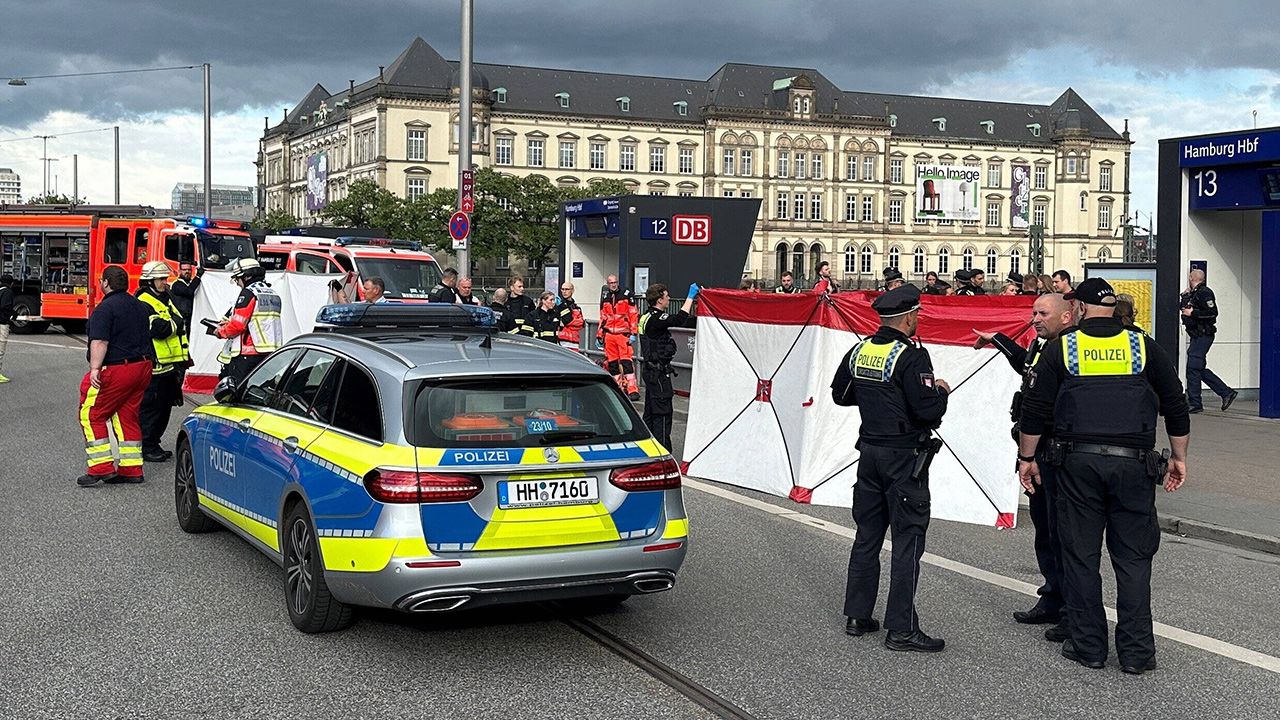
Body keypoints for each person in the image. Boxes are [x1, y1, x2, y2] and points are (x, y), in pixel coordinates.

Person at [1018, 278, 1190, 675]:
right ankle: (1136, 653)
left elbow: (1036, 407)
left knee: (1080, 555)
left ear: (1078, 309)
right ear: (1114, 309)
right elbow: (1176, 404)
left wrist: (1027, 457)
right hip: (1135, 465)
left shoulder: (1065, 347)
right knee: (1133, 559)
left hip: (1078, 465)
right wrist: (1178, 457)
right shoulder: (1142, 346)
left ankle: (1088, 645)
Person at [831, 284, 951, 653]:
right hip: (904, 458)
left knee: (867, 535)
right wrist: (941, 391)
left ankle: (858, 615)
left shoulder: (860, 350)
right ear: (910, 316)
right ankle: (901, 628)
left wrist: (877, 400)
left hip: (869, 452)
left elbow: (840, 394)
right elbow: (928, 412)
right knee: (907, 540)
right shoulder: (912, 356)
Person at [974, 294, 1076, 640]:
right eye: (1033, 313)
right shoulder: (1041, 345)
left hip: (1056, 452)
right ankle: (1052, 597)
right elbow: (1026, 367)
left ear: (1066, 316)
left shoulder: (1067, 349)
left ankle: (1071, 610)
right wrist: (999, 340)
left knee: (1064, 534)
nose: (1035, 319)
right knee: (1045, 529)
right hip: (1037, 453)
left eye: (1042, 313)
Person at [77, 266, 155, 486]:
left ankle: (100, 467)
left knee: (91, 413)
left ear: (105, 283)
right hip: (143, 366)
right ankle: (131, 469)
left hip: (119, 368)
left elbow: (100, 341)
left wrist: (94, 369)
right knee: (126, 415)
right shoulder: (140, 306)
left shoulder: (105, 309)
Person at [135, 261, 189, 463]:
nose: (164, 283)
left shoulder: (165, 298)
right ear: (149, 280)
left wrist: (174, 323)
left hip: (170, 365)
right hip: (155, 366)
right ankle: (146, 445)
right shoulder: (143, 300)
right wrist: (175, 323)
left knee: (165, 407)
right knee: (151, 408)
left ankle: (153, 443)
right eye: (160, 279)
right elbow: (158, 328)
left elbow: (177, 319)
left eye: (165, 279)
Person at [639, 282, 698, 451]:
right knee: (663, 413)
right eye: (666, 296)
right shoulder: (657, 318)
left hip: (650, 370)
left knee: (650, 412)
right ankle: (663, 453)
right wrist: (690, 296)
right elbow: (678, 319)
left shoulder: (646, 316)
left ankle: (648, 450)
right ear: (659, 300)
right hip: (657, 373)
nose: (669, 299)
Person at [215, 258, 283, 386]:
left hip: (248, 355)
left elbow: (237, 326)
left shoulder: (248, 294)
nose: (237, 283)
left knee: (239, 391)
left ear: (246, 277)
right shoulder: (272, 294)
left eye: (237, 279)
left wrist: (220, 331)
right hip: (270, 353)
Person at [1180, 269, 1237, 413]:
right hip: (1197, 335)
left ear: (1192, 278)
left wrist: (1193, 313)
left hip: (1203, 334)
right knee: (1198, 368)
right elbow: (1184, 309)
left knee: (1193, 367)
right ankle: (1226, 393)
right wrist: (1185, 296)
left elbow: (1212, 313)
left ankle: (1195, 403)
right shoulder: (1193, 293)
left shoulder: (1205, 292)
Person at [597, 274, 640, 400]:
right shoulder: (606, 297)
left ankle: (632, 389)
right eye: (611, 283)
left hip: (623, 334)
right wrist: (599, 334)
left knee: (626, 362)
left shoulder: (626, 294)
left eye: (615, 282)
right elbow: (603, 317)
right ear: (608, 284)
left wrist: (633, 333)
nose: (614, 284)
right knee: (612, 363)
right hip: (609, 334)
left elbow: (633, 314)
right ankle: (618, 388)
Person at [168, 260, 204, 328]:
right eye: (184, 270)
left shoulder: (190, 283)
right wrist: (198, 277)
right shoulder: (176, 284)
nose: (187, 272)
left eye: (189, 269)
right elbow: (189, 292)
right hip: (181, 319)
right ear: (179, 271)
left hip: (191, 318)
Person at [556, 281, 585, 350]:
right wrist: (576, 321)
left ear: (572, 290)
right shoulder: (560, 306)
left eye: (567, 289)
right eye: (562, 289)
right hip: (563, 341)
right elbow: (568, 321)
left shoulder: (576, 306)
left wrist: (575, 322)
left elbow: (582, 324)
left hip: (575, 341)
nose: (564, 291)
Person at [0, 273, 13, 384]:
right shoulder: (8, 292)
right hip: (2, 323)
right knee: (0, 348)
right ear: (11, 283)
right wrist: (12, 314)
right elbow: (5, 306)